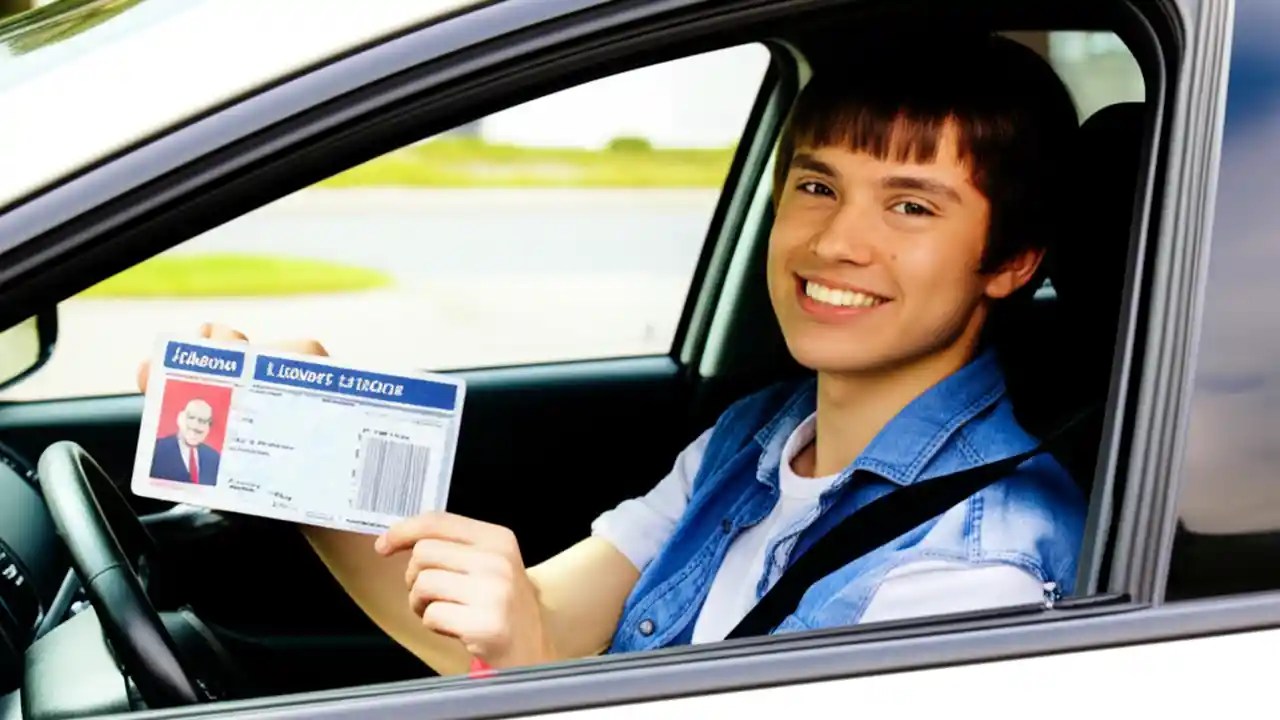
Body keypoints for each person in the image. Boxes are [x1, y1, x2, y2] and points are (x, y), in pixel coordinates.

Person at [141, 32, 1087, 676]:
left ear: (1010, 260)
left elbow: (524, 660)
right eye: (815, 185)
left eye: (911, 205)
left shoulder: (970, 575)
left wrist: (520, 672)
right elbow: (533, 629)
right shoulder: (762, 437)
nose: (836, 242)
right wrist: (293, 449)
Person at [150, 397, 221, 486]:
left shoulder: (214, 459)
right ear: (180, 418)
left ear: (208, 428)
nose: (195, 426)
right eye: (191, 417)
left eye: (203, 421)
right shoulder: (155, 449)